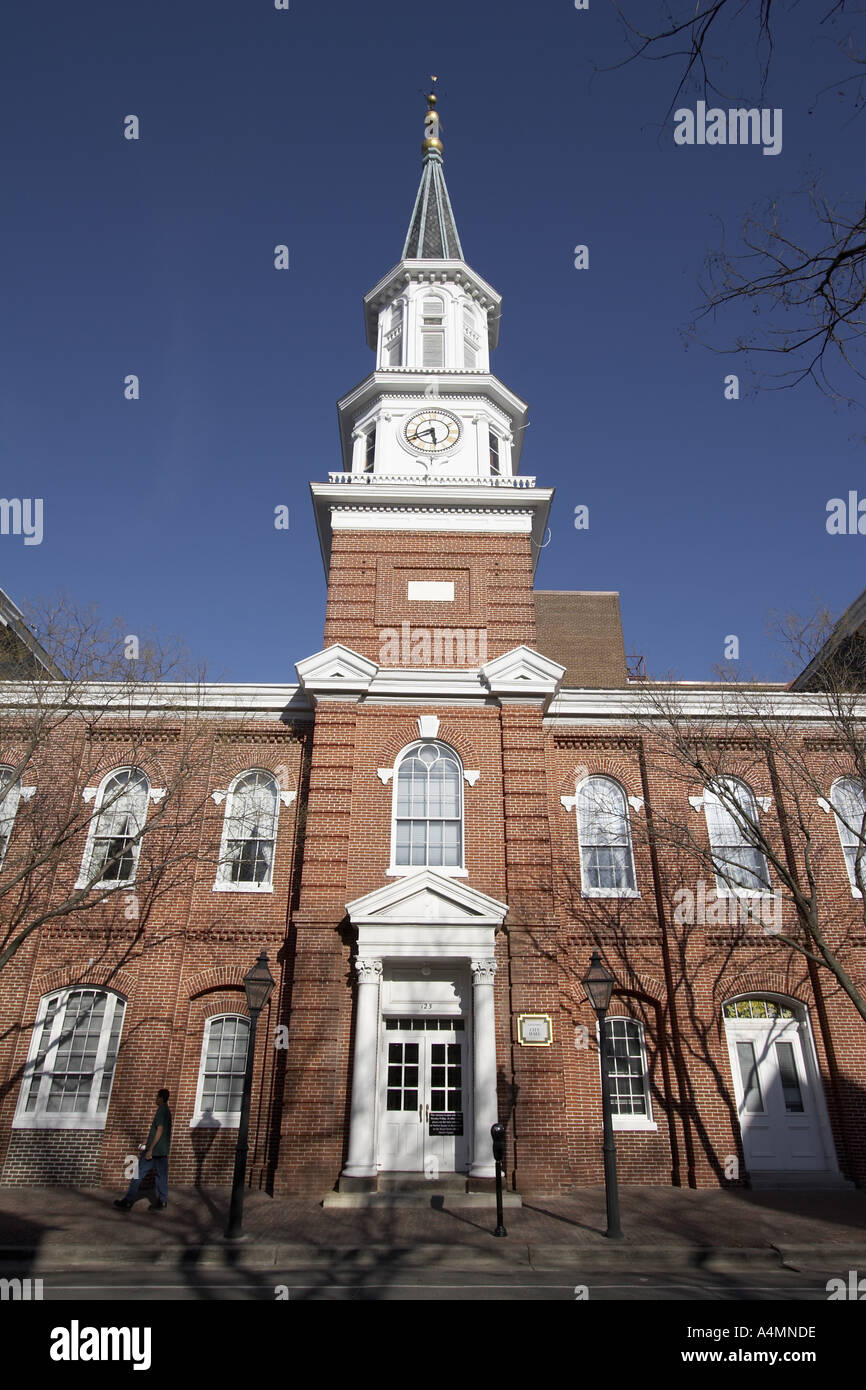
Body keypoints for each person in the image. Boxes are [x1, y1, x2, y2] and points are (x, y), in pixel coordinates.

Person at [114, 1088, 172, 1211]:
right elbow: (159, 1132)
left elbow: (160, 1130)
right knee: (161, 1177)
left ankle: (128, 1201)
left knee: (138, 1174)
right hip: (162, 1151)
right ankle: (162, 1201)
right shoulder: (167, 1111)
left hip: (154, 1151)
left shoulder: (161, 1111)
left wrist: (150, 1149)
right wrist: (147, 1142)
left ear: (161, 1098)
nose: (156, 1099)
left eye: (157, 1097)